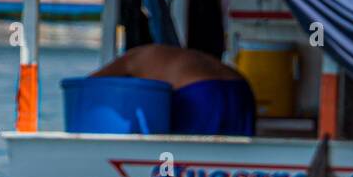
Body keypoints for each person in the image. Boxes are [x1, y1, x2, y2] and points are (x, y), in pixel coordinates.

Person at [90, 43, 256, 136]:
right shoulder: (168, 54)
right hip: (239, 86)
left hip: (200, 90)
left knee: (190, 162)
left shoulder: (130, 59)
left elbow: (88, 84)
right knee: (231, 160)